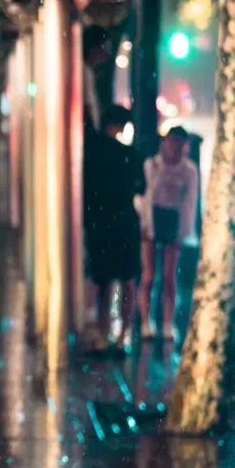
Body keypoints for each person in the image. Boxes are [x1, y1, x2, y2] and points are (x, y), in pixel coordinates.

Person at [83, 105, 144, 351]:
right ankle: (123, 336)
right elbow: (140, 189)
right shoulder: (131, 156)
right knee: (127, 279)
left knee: (104, 281)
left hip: (100, 223)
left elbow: (88, 192)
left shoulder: (92, 154)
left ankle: (102, 332)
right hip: (126, 222)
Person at [137, 125, 199, 344]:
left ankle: (167, 323)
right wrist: (145, 224)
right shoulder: (152, 165)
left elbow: (190, 203)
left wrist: (185, 232)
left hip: (173, 221)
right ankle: (146, 322)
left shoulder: (189, 170)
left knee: (170, 276)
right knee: (149, 275)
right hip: (152, 219)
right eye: (171, 142)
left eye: (179, 144)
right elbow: (144, 196)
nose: (173, 147)